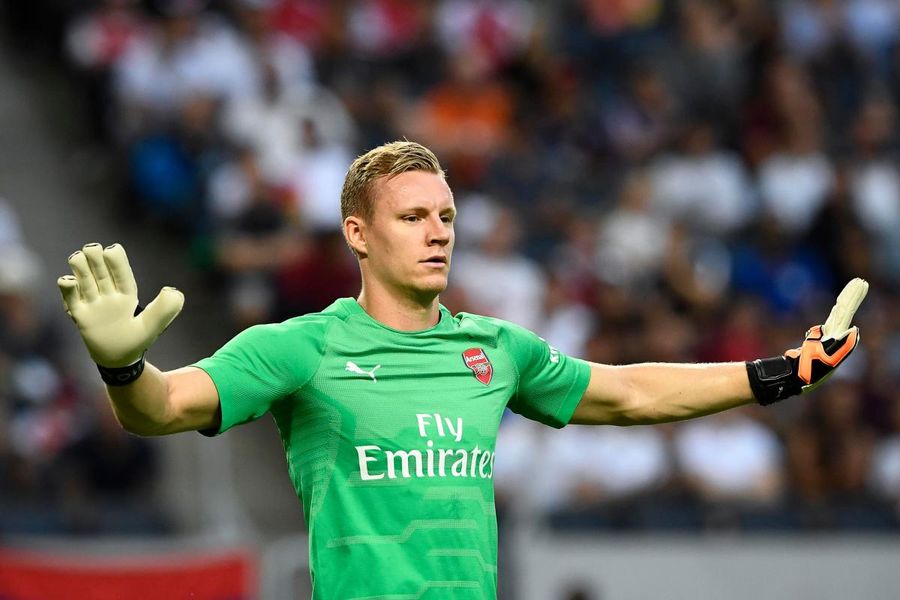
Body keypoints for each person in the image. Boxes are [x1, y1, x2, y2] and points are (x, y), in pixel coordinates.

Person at [57, 140, 866, 599]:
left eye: (446, 215)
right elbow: (162, 409)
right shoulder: (300, 346)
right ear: (358, 234)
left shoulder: (498, 349)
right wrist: (123, 366)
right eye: (412, 216)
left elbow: (627, 393)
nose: (438, 232)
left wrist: (777, 375)